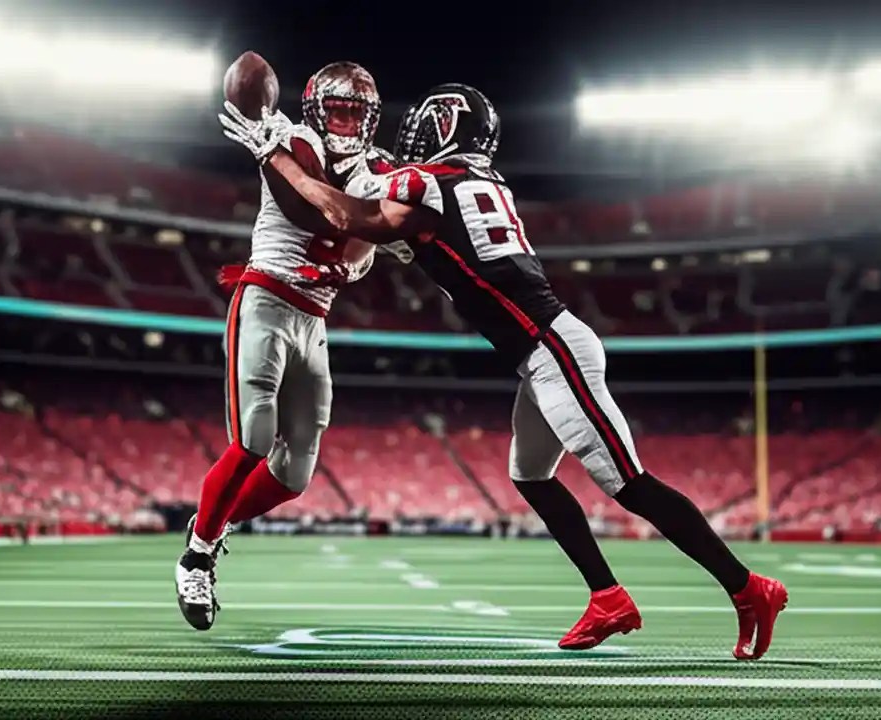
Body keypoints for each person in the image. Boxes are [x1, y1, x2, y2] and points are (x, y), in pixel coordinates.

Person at [219, 84, 788, 659]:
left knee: (629, 483)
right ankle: (608, 597)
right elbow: (387, 221)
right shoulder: (481, 182)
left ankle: (747, 589)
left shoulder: (428, 185)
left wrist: (276, 155)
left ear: (444, 129)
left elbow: (346, 212)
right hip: (538, 353)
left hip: (553, 347)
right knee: (531, 475)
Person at [175, 62, 388, 632]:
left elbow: (363, 239)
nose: (346, 120)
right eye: (338, 108)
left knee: (295, 473)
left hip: (314, 319)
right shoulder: (293, 139)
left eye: (357, 111)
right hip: (267, 297)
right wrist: (279, 158)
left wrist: (354, 257)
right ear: (317, 106)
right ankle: (197, 555)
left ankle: (209, 526)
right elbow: (305, 209)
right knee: (253, 438)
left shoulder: (369, 170)